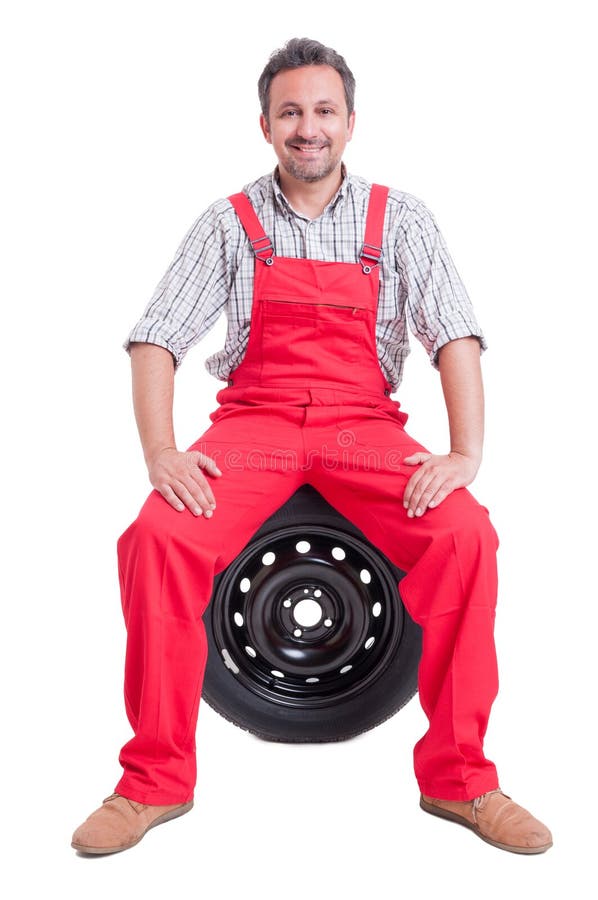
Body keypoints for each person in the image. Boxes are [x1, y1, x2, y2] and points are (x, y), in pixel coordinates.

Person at [71, 37, 552, 857]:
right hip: (253, 426)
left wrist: (464, 455)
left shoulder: (400, 219)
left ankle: (461, 779)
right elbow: (155, 339)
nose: (308, 127)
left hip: (362, 424)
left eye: (323, 110)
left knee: (467, 534)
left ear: (350, 122)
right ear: (264, 126)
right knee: (157, 537)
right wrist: (161, 454)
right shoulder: (230, 222)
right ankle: (153, 780)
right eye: (290, 111)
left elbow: (455, 338)